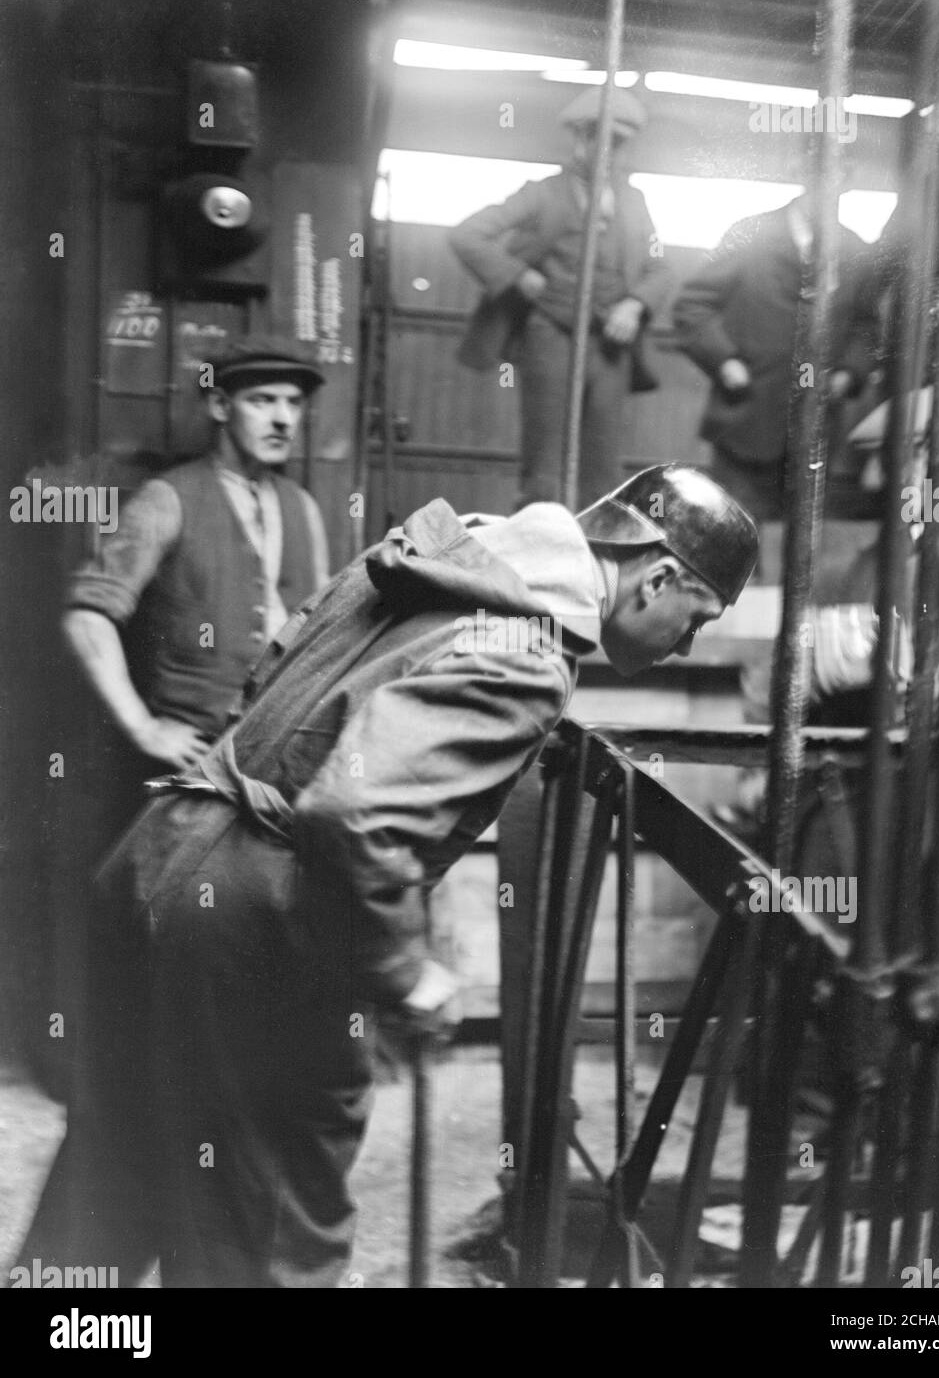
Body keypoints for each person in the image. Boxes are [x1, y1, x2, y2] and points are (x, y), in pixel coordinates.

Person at [16, 464, 758, 1288]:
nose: (687, 644)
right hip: (254, 934)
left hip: (157, 860)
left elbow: (274, 676)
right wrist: (406, 975)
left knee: (112, 1185)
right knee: (270, 1240)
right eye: (697, 618)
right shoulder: (529, 655)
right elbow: (356, 814)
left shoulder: (446, 553)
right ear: (656, 578)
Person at [64, 337, 331, 776]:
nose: (283, 420)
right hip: (194, 763)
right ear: (221, 407)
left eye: (294, 403)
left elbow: (323, 631)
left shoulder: (302, 507)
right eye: (263, 401)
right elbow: (87, 617)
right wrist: (144, 728)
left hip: (281, 757)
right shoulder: (167, 498)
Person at [450, 87, 675, 507]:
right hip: (548, 337)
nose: (608, 152)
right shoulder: (541, 193)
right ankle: (540, 556)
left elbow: (660, 269)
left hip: (610, 349)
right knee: (544, 466)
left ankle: (595, 563)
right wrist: (516, 274)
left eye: (619, 143)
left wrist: (635, 303)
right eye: (599, 140)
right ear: (580, 140)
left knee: (603, 471)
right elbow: (467, 234)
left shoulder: (636, 203)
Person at [670, 188, 881, 524]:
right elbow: (693, 305)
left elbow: (867, 326)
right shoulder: (751, 234)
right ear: (804, 175)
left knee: (801, 544)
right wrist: (724, 360)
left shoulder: (854, 249)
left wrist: (849, 373)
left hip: (815, 424)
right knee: (734, 534)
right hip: (746, 417)